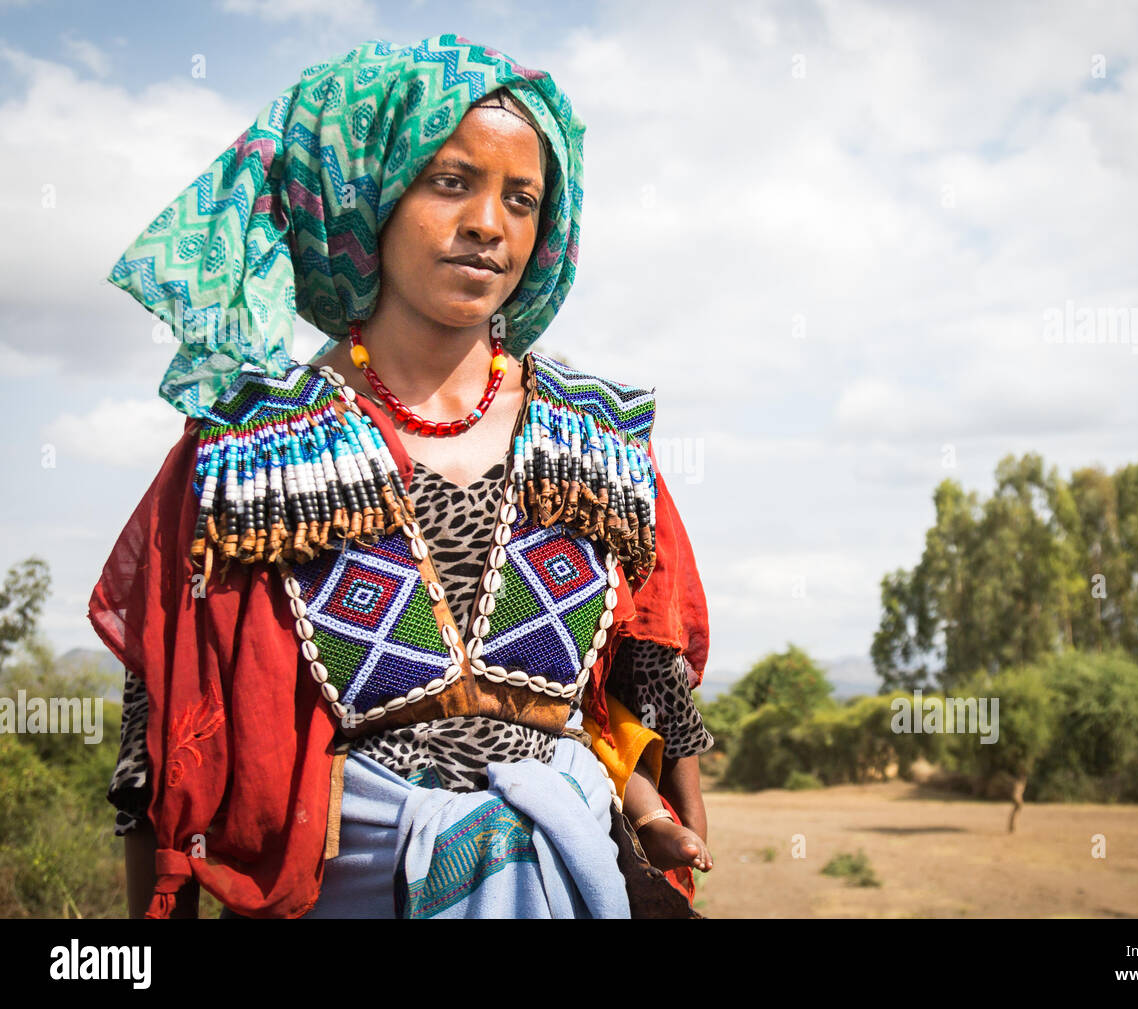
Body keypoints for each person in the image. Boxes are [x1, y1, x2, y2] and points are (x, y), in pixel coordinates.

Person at [91, 35, 713, 918]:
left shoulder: (601, 439)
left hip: (577, 878)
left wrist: (652, 809)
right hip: (339, 886)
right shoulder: (247, 448)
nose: (489, 224)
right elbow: (161, 744)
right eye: (450, 182)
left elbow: (648, 676)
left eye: (522, 198)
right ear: (366, 195)